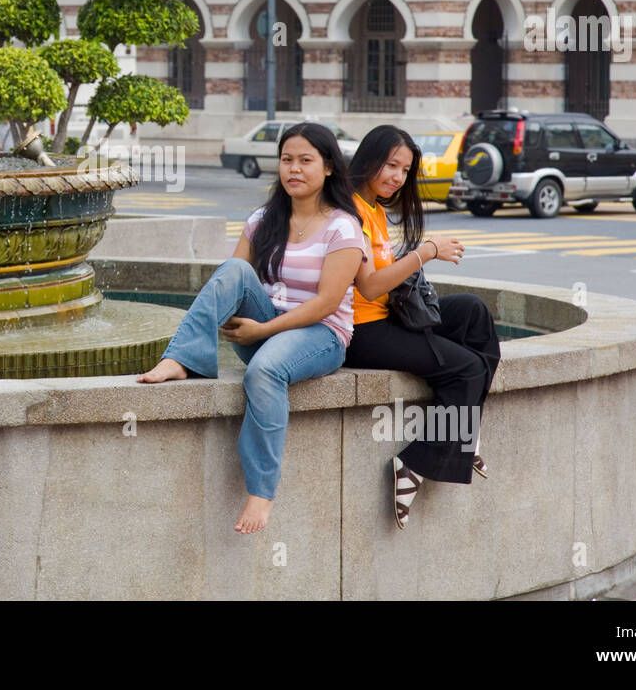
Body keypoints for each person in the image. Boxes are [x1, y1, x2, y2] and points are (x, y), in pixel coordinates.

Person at [137, 122, 367, 534]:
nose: (293, 169)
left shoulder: (343, 227)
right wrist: (233, 316)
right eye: (286, 160)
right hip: (262, 329)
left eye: (305, 161)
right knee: (233, 269)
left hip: (320, 335)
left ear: (329, 167)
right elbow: (236, 278)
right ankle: (180, 358)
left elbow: (327, 303)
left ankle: (261, 492)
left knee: (264, 371)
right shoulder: (263, 219)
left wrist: (261, 332)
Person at [344, 124, 501, 530]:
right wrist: (426, 252)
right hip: (362, 332)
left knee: (473, 313)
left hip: (386, 315)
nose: (396, 177)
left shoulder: (375, 208)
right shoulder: (349, 210)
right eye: (390, 165)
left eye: (404, 170)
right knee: (467, 367)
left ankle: (463, 434)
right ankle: (413, 464)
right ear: (368, 158)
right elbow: (367, 285)